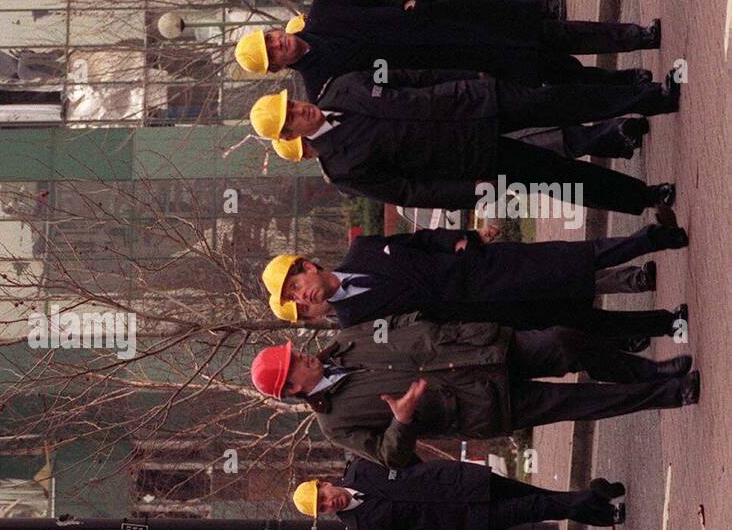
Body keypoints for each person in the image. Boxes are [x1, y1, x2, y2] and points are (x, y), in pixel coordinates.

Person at [248, 314, 699, 467]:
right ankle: (668, 394)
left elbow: (403, 322)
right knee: (580, 401)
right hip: (480, 404)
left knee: (565, 342)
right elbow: (391, 458)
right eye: (293, 365)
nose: (303, 356)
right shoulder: (335, 423)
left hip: (481, 350)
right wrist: (402, 420)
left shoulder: (345, 341)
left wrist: (442, 329)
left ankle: (650, 373)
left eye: (294, 353)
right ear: (292, 388)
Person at [249, 69, 681, 215]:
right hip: (468, 158)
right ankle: (646, 197)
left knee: (561, 101)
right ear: (290, 136)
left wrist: (468, 80)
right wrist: (470, 194)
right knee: (560, 177)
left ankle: (653, 98)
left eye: (294, 104)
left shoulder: (343, 86)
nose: (301, 111)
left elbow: (414, 77)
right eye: (292, 119)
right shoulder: (342, 169)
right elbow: (408, 192)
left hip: (474, 103)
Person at [233, 0, 657, 96]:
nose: (279, 43)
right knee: (551, 70)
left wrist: (408, 0)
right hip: (455, 67)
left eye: (271, 38)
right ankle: (629, 84)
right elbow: (393, 92)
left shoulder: (324, 10)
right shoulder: (322, 84)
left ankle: (636, 36)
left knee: (552, 33)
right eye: (273, 53)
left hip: (449, 22)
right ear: (277, 69)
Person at [259, 223, 687, 341]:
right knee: (578, 320)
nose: (304, 295)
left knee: (571, 260)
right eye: (298, 302)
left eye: (296, 284)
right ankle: (665, 323)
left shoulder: (363, 251)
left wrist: (461, 240)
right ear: (310, 314)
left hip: (484, 268)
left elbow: (419, 239)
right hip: (486, 314)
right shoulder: (357, 325)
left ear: (307, 265)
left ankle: (649, 240)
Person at [291, 457, 624, 530]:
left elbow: (405, 456)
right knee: (534, 508)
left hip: (461, 483)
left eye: (323, 496)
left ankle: (601, 508)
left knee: (536, 496)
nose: (329, 503)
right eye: (323, 509)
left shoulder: (362, 467)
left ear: (323, 483)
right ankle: (594, 495)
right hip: (463, 523)